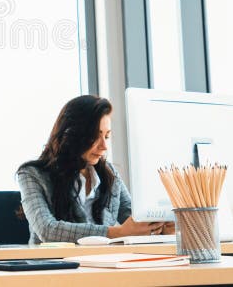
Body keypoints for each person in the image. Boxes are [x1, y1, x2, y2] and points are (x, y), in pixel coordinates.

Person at [17, 94, 172, 243]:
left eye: (107, 136)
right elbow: (47, 230)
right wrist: (115, 233)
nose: (104, 146)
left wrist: (158, 227)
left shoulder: (109, 174)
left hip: (104, 264)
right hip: (54, 266)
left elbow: (134, 220)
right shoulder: (31, 175)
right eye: (95, 136)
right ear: (72, 134)